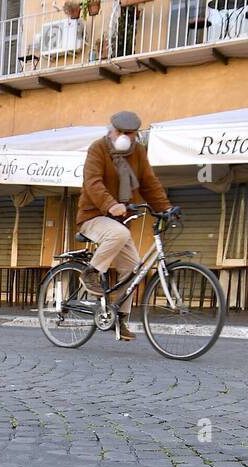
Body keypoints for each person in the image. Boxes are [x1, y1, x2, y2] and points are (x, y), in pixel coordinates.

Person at [77, 110, 175, 340]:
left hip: (120, 222)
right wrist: (110, 204)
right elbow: (93, 182)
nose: (123, 137)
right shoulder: (98, 148)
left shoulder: (138, 153)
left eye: (128, 133)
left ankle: (119, 318)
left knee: (134, 267)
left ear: (135, 135)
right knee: (118, 233)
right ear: (111, 131)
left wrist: (166, 208)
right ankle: (91, 272)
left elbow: (150, 183)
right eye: (119, 132)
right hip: (92, 216)